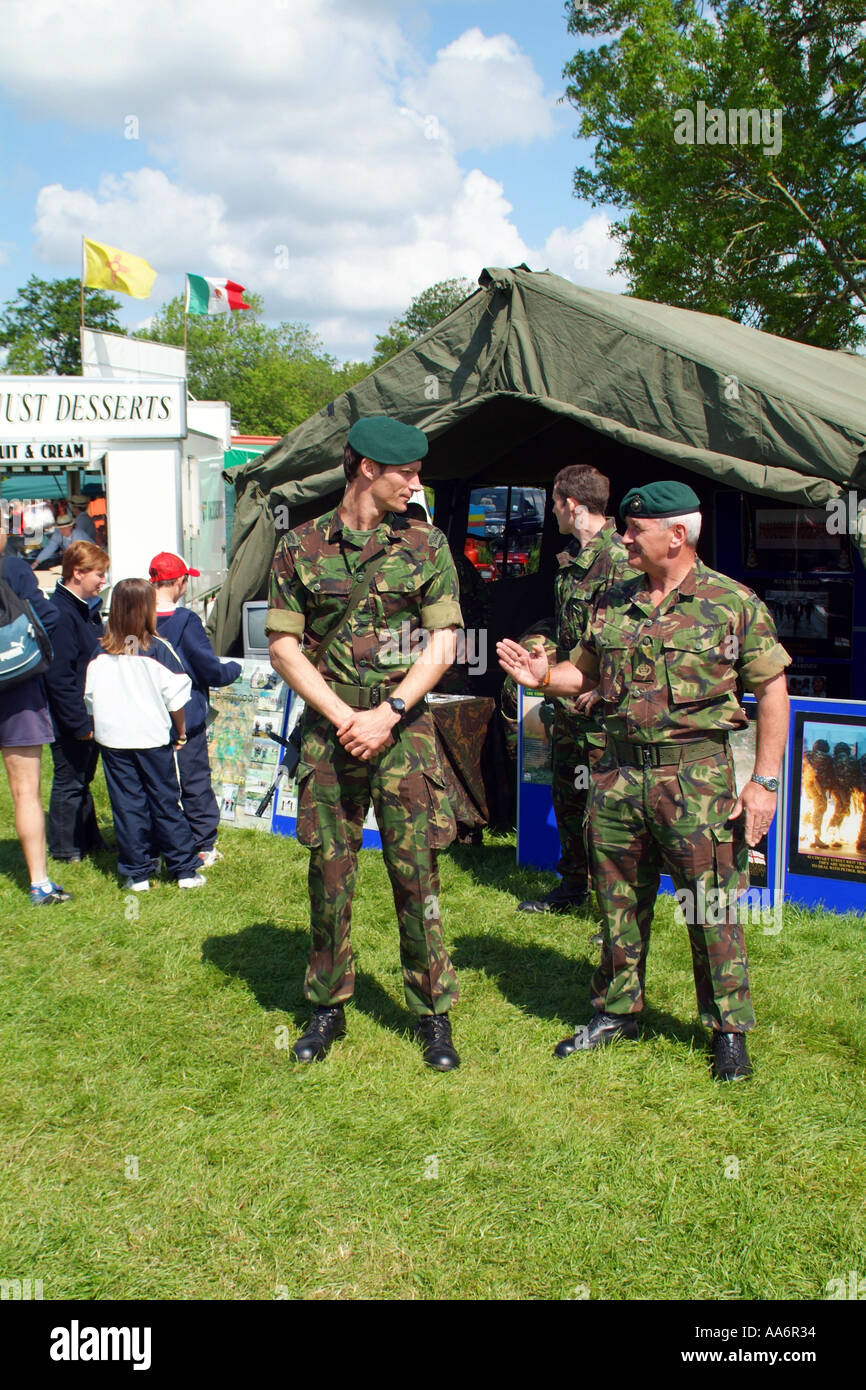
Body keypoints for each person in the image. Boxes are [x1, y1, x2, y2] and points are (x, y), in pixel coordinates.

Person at [498, 481, 790, 1082]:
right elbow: (580, 677)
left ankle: (728, 1030)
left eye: (636, 531)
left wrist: (763, 781)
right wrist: (540, 676)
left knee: (709, 905)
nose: (624, 538)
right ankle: (617, 1011)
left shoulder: (732, 604)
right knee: (617, 902)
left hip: (695, 779)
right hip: (616, 773)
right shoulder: (613, 601)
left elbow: (772, 692)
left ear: (676, 535)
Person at [266, 415, 463, 1071]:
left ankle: (433, 1013)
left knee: (417, 873)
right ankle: (326, 1003)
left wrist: (389, 711)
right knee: (329, 870)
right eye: (407, 471)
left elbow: (443, 642)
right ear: (367, 469)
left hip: (403, 734)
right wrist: (340, 713)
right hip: (330, 734)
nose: (417, 482)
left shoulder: (427, 544)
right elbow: (283, 645)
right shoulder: (299, 545)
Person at [518, 464, 632, 915]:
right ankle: (572, 888)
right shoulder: (572, 563)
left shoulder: (620, 561)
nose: (551, 511)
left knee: (609, 816)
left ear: (572, 505)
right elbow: (571, 632)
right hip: (568, 708)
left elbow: (631, 638)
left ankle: (615, 914)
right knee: (568, 799)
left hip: (605, 715)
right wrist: (539, 643)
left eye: (554, 503)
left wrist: (604, 686)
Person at [84, 579, 205, 891]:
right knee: (166, 802)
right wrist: (181, 730)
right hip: (152, 740)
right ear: (148, 609)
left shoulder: (100, 650)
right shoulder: (158, 650)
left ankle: (137, 873)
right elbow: (178, 697)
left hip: (114, 740)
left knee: (127, 805)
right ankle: (184, 870)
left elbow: (90, 698)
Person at [150, 551, 242, 867]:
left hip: (147, 716)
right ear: (179, 582)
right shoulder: (185, 620)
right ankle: (202, 845)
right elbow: (207, 668)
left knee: (156, 783)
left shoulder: (135, 615)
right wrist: (233, 669)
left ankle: (157, 845)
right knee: (194, 781)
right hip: (184, 716)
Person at [0, 528, 72, 904]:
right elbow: (48, 615)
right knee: (24, 791)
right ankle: (39, 882)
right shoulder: (14, 567)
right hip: (18, 686)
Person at [43, 540, 110, 862]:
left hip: (84, 713)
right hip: (70, 716)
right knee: (69, 781)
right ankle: (64, 848)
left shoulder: (83, 610)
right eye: (99, 574)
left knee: (83, 778)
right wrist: (78, 723)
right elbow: (59, 677)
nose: (103, 580)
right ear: (77, 572)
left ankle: (88, 839)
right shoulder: (61, 613)